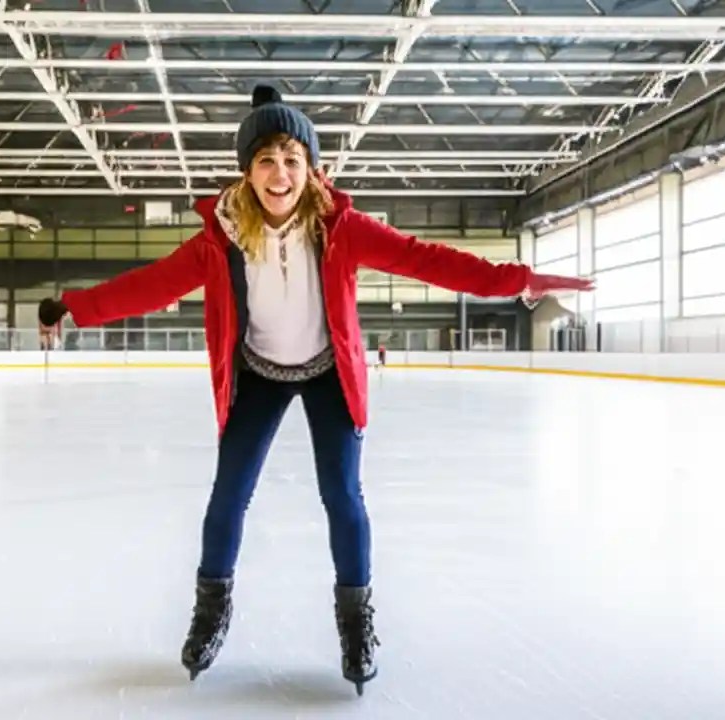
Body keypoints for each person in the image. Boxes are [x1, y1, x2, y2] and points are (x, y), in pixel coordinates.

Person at [38, 85, 593, 695]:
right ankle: (210, 613)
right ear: (247, 172)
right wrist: (74, 307)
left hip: (329, 373)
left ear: (312, 168)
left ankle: (356, 625)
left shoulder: (342, 229)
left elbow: (426, 259)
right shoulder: (219, 238)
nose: (280, 175)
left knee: (343, 498)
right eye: (266, 161)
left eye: (291, 160)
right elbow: (153, 286)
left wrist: (519, 280)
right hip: (259, 374)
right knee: (228, 498)